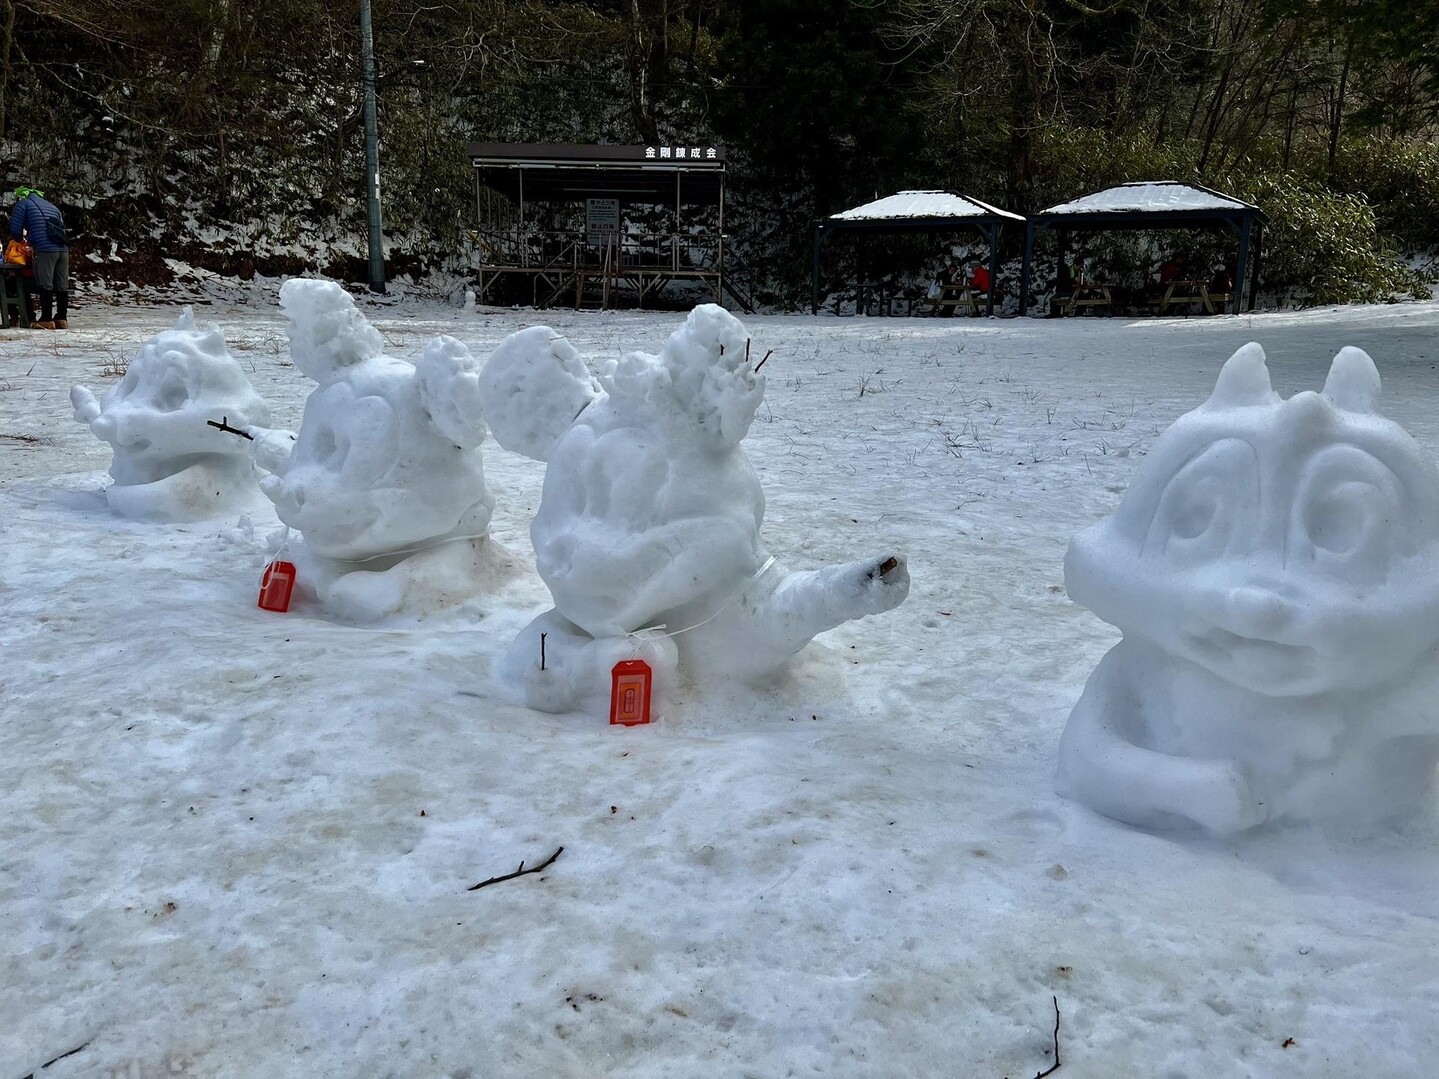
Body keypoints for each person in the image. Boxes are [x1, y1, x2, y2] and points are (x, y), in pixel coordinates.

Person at [10, 186, 69, 329]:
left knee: (45, 282)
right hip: (63, 249)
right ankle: (61, 318)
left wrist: (19, 239)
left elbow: (15, 229)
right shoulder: (52, 207)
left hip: (45, 248)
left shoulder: (24, 204)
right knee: (61, 283)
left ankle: (46, 319)